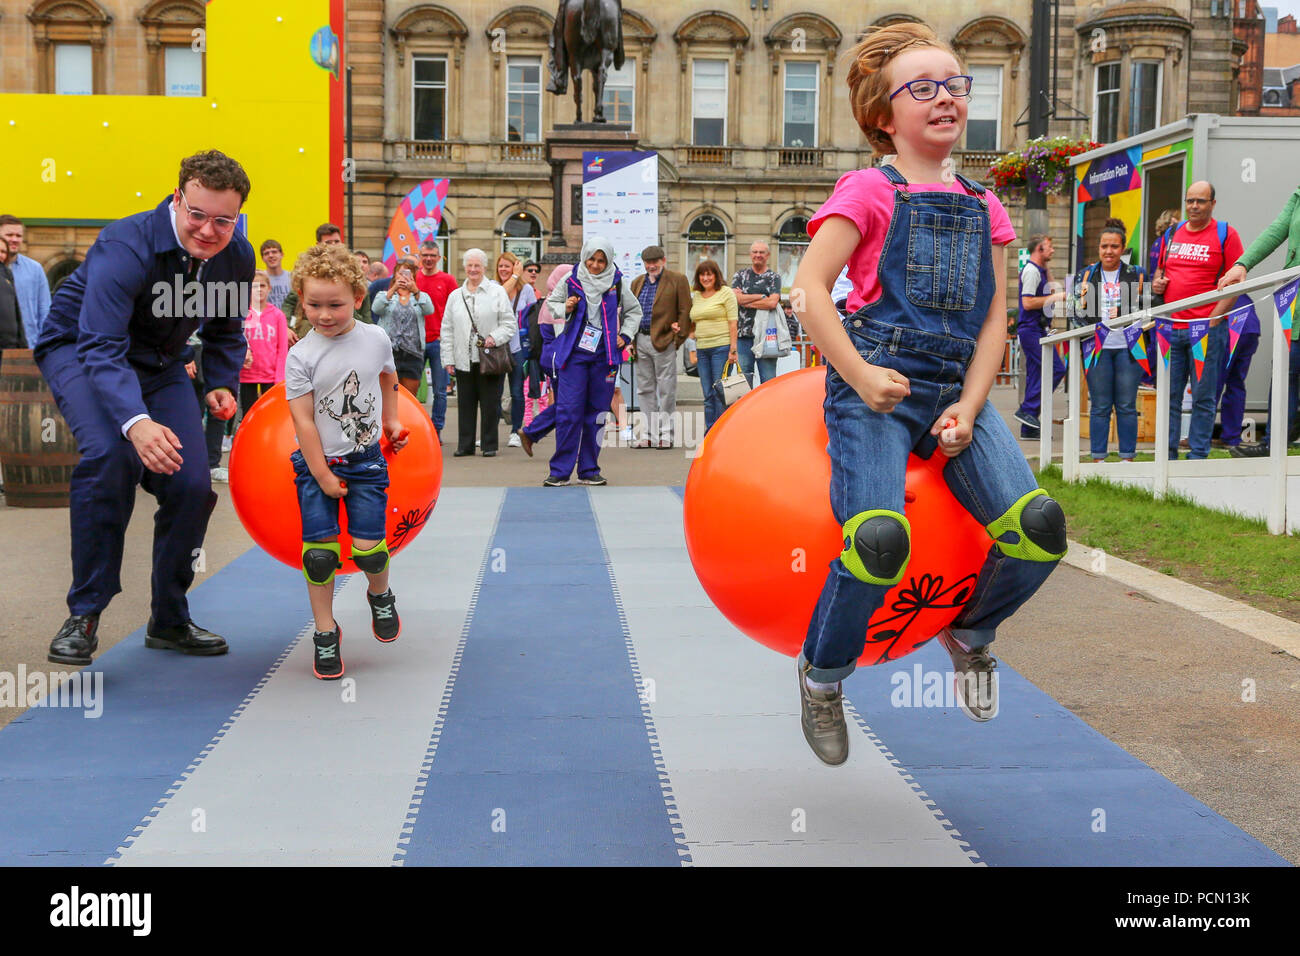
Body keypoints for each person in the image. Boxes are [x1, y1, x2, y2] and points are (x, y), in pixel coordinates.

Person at [791, 23, 1067, 764]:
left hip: (955, 391)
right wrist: (861, 375)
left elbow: (993, 323)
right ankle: (823, 678)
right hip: (876, 385)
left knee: (1040, 530)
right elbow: (810, 292)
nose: (946, 97)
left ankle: (971, 635)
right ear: (885, 114)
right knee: (879, 542)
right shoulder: (868, 189)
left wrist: (970, 409)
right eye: (924, 87)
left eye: (956, 84)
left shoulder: (987, 204)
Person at [34, 150, 254, 665]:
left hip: (159, 363)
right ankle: (84, 614)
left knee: (193, 485)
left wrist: (221, 383)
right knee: (111, 458)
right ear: (177, 198)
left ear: (237, 216)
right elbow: (101, 346)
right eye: (197, 214)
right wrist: (136, 424)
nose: (207, 230)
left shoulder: (235, 256)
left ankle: (170, 618)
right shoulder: (124, 244)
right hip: (81, 348)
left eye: (223, 220)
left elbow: (225, 330)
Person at [283, 244, 409, 679]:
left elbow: (389, 376)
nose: (324, 314)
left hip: (367, 461)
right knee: (319, 556)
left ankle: (380, 594)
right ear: (301, 298)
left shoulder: (375, 339)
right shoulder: (300, 355)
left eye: (335, 304)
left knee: (371, 552)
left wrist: (392, 421)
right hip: (318, 464)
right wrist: (320, 473)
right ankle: (324, 632)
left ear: (357, 298)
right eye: (313, 304)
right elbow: (303, 422)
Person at [1151, 181, 1244, 460]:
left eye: (1200, 201)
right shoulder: (1172, 233)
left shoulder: (1226, 234)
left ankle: (1198, 456)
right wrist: (1158, 284)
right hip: (1172, 328)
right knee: (1170, 397)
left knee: (1204, 398)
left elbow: (1237, 283)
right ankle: (1166, 456)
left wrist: (1215, 317)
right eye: (1190, 200)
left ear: (1212, 204)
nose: (1194, 206)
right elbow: (1160, 272)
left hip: (1207, 330)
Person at [541, 237, 641, 485]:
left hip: (604, 356)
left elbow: (634, 311)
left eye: (601, 260)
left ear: (608, 262)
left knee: (596, 413)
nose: (595, 265)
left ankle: (589, 470)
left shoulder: (617, 282)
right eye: (592, 259)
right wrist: (565, 306)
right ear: (584, 256)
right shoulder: (571, 278)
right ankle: (560, 472)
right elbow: (551, 303)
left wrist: (625, 335)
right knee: (568, 412)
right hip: (574, 355)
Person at [1220, 181, 1300, 456]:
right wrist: (1242, 264)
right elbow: (1276, 230)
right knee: (1284, 372)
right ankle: (1272, 444)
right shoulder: (1298, 194)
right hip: (1295, 303)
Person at [1071, 219, 1146, 461]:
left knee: (1126, 405)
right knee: (1100, 406)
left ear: (1123, 248)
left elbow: (1148, 307)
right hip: (1097, 348)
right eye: (1104, 246)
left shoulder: (1137, 274)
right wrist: (1088, 331)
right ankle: (1098, 458)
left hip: (1129, 347)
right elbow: (1075, 312)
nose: (1108, 251)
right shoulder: (1085, 275)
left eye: (1114, 246)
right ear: (1098, 248)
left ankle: (1127, 458)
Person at [441, 249, 517, 457]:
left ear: (484, 268)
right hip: (463, 358)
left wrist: (494, 338)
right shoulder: (456, 296)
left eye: (477, 266)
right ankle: (464, 445)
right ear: (465, 267)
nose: (473, 270)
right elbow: (447, 329)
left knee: (490, 403)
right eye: (470, 265)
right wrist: (448, 359)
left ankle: (489, 445)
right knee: (465, 403)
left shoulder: (497, 292)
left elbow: (509, 324)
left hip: (489, 357)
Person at [630, 245, 692, 448]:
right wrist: (630, 340)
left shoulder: (677, 279)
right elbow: (631, 314)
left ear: (663, 261)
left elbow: (685, 310)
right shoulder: (637, 282)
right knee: (644, 390)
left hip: (664, 341)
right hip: (641, 340)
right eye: (648, 262)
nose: (651, 266)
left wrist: (677, 340)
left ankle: (666, 435)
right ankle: (648, 435)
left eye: (655, 261)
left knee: (666, 389)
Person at [1013, 235, 1068, 439]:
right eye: (1049, 247)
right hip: (1031, 329)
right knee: (1056, 369)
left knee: (1037, 375)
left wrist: (1047, 268)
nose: (1053, 251)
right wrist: (1056, 297)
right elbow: (1027, 303)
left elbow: (1052, 287)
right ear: (1039, 249)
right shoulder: (1031, 272)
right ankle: (1027, 410)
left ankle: (1029, 428)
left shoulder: (1040, 270)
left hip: (1037, 329)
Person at [517, 263, 572, 456]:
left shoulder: (548, 301)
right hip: (560, 361)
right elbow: (562, 334)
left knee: (566, 405)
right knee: (568, 406)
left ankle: (533, 433)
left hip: (551, 360)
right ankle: (533, 433)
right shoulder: (557, 305)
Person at [282, 224, 372, 340]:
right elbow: (289, 303)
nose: (334, 246)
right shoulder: (310, 278)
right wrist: (286, 326)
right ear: (318, 245)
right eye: (329, 242)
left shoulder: (353, 275)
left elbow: (366, 314)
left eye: (337, 241)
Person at [732, 241, 794, 387]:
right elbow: (735, 298)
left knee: (768, 381)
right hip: (743, 336)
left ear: (768, 255)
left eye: (761, 252)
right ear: (750, 254)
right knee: (744, 381)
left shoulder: (774, 277)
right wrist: (761, 297)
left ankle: (768, 410)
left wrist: (745, 301)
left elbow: (772, 303)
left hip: (768, 336)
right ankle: (747, 411)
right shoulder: (740, 275)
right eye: (755, 252)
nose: (758, 255)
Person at [414, 240, 459, 438]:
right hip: (415, 342)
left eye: (433, 256)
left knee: (441, 391)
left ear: (439, 258)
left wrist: (450, 336)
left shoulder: (448, 280)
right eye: (425, 255)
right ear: (419, 257)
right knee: (411, 389)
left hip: (439, 341)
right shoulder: (413, 278)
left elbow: (456, 310)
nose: (429, 259)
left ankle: (436, 429)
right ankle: (414, 428)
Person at [689, 260, 739, 434]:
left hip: (721, 348)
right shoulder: (696, 295)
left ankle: (721, 433)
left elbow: (733, 323)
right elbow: (693, 323)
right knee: (707, 395)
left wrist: (733, 350)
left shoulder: (726, 293)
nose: (705, 278)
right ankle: (710, 432)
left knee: (720, 394)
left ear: (716, 275)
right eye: (702, 274)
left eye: (709, 274)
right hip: (702, 349)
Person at [372, 258, 432, 396]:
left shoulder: (419, 296)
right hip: (389, 352)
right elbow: (376, 308)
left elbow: (429, 309)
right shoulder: (385, 295)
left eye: (408, 273)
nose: (404, 277)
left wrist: (415, 291)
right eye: (401, 273)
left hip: (413, 353)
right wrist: (393, 289)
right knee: (389, 394)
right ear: (394, 274)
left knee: (410, 397)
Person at [240, 271, 289, 421]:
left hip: (270, 377)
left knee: (271, 417)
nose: (259, 289)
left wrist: (280, 378)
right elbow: (236, 340)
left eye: (262, 285)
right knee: (249, 416)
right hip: (246, 376)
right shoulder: (242, 314)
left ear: (269, 288)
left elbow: (282, 349)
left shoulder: (278, 315)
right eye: (254, 286)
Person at [495, 251, 532, 446]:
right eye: (500, 266)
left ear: (515, 268)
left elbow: (533, 318)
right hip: (496, 349)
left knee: (517, 392)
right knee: (494, 392)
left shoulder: (526, 291)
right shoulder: (493, 288)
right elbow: (498, 297)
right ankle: (489, 432)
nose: (503, 269)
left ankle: (516, 431)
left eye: (507, 266)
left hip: (517, 348)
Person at [0, 215, 50, 348]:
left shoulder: (35, 269)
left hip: (29, 349)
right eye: (9, 235)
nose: (14, 239)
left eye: (18, 235)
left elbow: (45, 311)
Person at [0, 236, 27, 351]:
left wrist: (23, 345)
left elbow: (16, 312)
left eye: (3, 252)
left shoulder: (7, 273)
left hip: (10, 346)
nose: (1, 255)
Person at [259, 238, 292, 313]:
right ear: (263, 258)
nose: (271, 255)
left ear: (282, 254)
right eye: (266, 253)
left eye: (274, 252)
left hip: (288, 322)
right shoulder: (260, 280)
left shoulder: (292, 278)